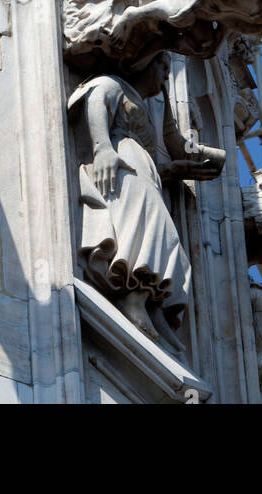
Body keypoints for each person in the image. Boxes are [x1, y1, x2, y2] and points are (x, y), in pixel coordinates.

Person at [69, 51, 223, 356]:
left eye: (169, 70)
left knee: (167, 238)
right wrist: (102, 150)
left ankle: (154, 307)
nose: (165, 75)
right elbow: (96, 101)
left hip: (144, 173)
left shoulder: (144, 107)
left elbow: (165, 151)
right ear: (142, 62)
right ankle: (134, 297)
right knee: (148, 229)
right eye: (161, 67)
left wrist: (175, 170)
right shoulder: (115, 85)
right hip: (123, 165)